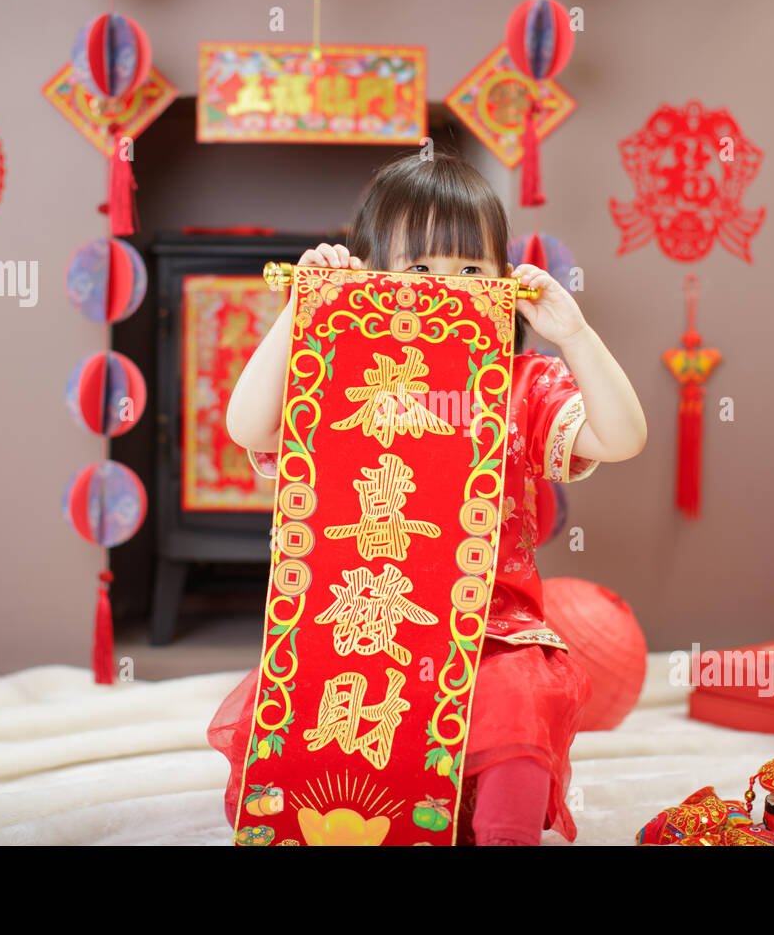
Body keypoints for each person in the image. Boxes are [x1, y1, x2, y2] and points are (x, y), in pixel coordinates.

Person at [208, 151, 647, 845]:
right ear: (371, 274)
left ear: (505, 283)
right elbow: (247, 425)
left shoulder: (516, 380)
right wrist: (305, 309)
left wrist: (577, 334)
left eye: (471, 270)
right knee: (282, 733)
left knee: (514, 702)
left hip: (486, 636)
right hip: (360, 630)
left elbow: (621, 437)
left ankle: (500, 829)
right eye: (418, 270)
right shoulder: (339, 370)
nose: (445, 288)